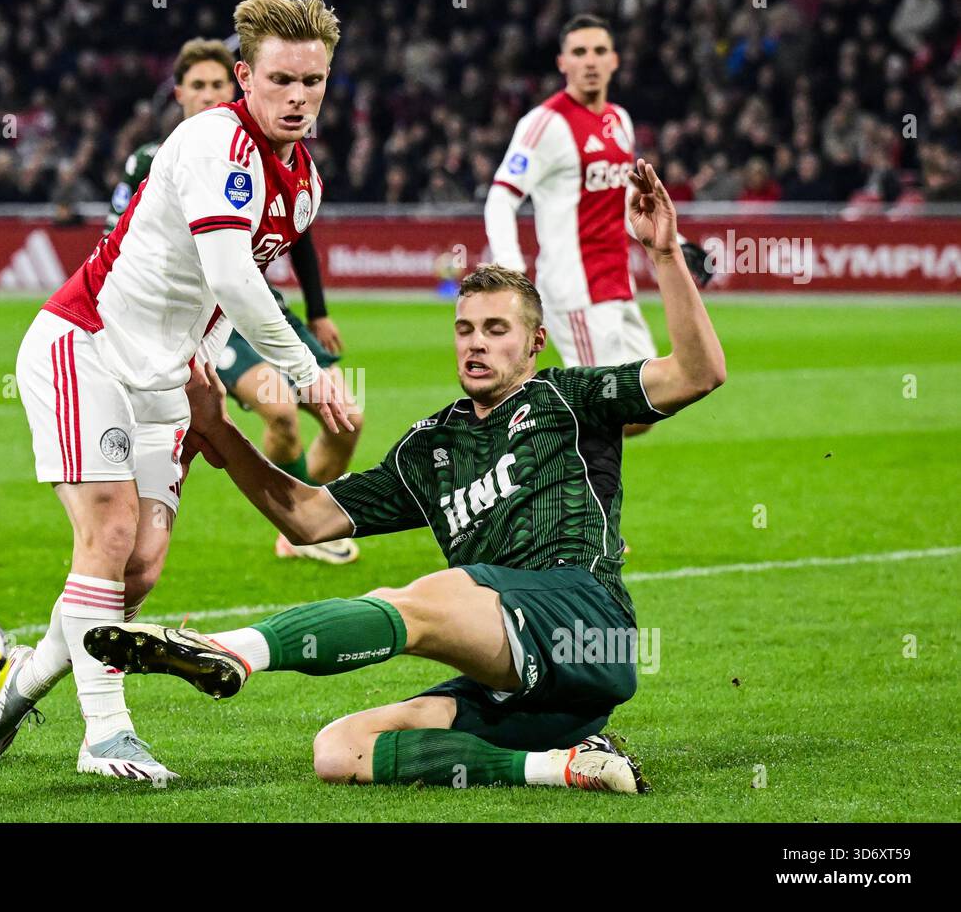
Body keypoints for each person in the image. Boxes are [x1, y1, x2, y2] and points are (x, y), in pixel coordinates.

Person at [86, 160, 726, 794]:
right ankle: (563, 764)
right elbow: (308, 519)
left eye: (496, 330)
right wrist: (222, 431)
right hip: (522, 678)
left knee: (416, 598)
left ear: (535, 343)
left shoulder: (573, 397)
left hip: (587, 625)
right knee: (340, 751)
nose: (475, 344)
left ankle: (234, 649)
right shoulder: (430, 447)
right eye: (465, 329)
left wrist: (664, 253)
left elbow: (698, 373)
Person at [0, 0, 353, 783]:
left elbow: (214, 303)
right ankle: (105, 736)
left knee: (138, 569)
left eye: (312, 82)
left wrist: (203, 360)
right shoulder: (213, 142)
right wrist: (310, 374)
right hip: (87, 348)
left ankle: (19, 689)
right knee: (106, 533)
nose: (298, 97)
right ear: (245, 76)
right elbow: (233, 280)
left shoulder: (303, 184)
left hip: (166, 375)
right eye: (281, 79)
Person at [107, 37, 363, 565]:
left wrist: (317, 310)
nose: (207, 95)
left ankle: (305, 521)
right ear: (179, 93)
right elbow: (122, 242)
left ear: (238, 84)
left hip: (258, 302)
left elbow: (300, 236)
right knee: (281, 413)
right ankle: (297, 525)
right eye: (196, 85)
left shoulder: (277, 158)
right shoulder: (161, 159)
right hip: (202, 310)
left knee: (349, 419)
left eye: (216, 85)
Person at [484, 15, 709, 436]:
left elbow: (624, 199)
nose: (590, 61)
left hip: (616, 285)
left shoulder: (619, 120)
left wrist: (677, 242)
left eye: (599, 51)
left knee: (644, 410)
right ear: (562, 63)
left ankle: (525, 432)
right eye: (580, 52)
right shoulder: (544, 124)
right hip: (575, 290)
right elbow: (501, 196)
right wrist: (511, 271)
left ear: (615, 61)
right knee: (609, 414)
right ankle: (549, 480)